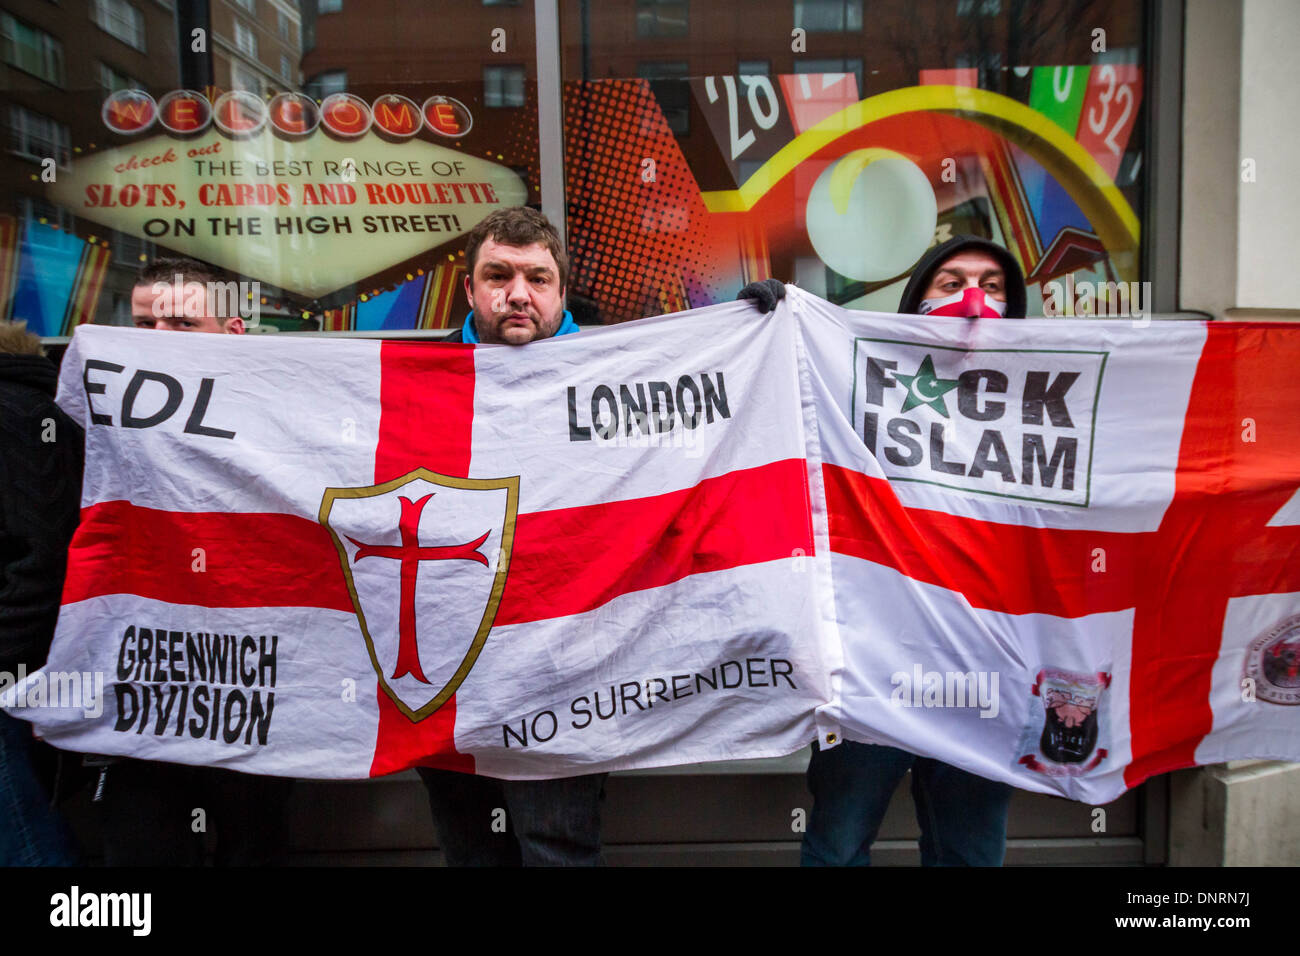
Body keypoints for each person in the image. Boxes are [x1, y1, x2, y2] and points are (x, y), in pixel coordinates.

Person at [737, 236, 1022, 866]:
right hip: (870, 662)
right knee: (837, 844)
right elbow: (787, 397)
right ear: (914, 300)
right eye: (951, 283)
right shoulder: (861, 382)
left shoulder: (1046, 404)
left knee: (971, 853)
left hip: (985, 670)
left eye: (993, 286)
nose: (974, 300)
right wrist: (773, 326)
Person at [418, 206, 605, 866]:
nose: (518, 294)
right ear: (468, 289)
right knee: (471, 851)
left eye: (537, 278)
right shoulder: (412, 383)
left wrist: (760, 330)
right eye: (498, 276)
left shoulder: (618, 372)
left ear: (561, 291)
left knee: (557, 849)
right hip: (449, 665)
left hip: (567, 667)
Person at [96, 257, 293, 866]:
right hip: (143, 686)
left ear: (232, 334)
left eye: (182, 325)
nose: (157, 342)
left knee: (250, 851)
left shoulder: (285, 423)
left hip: (251, 685)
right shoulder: (100, 420)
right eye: (143, 325)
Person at [0, 320, 83, 866]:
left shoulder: (14, 414)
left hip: (14, 659)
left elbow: (43, 551)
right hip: (26, 651)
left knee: (19, 827)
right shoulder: (34, 409)